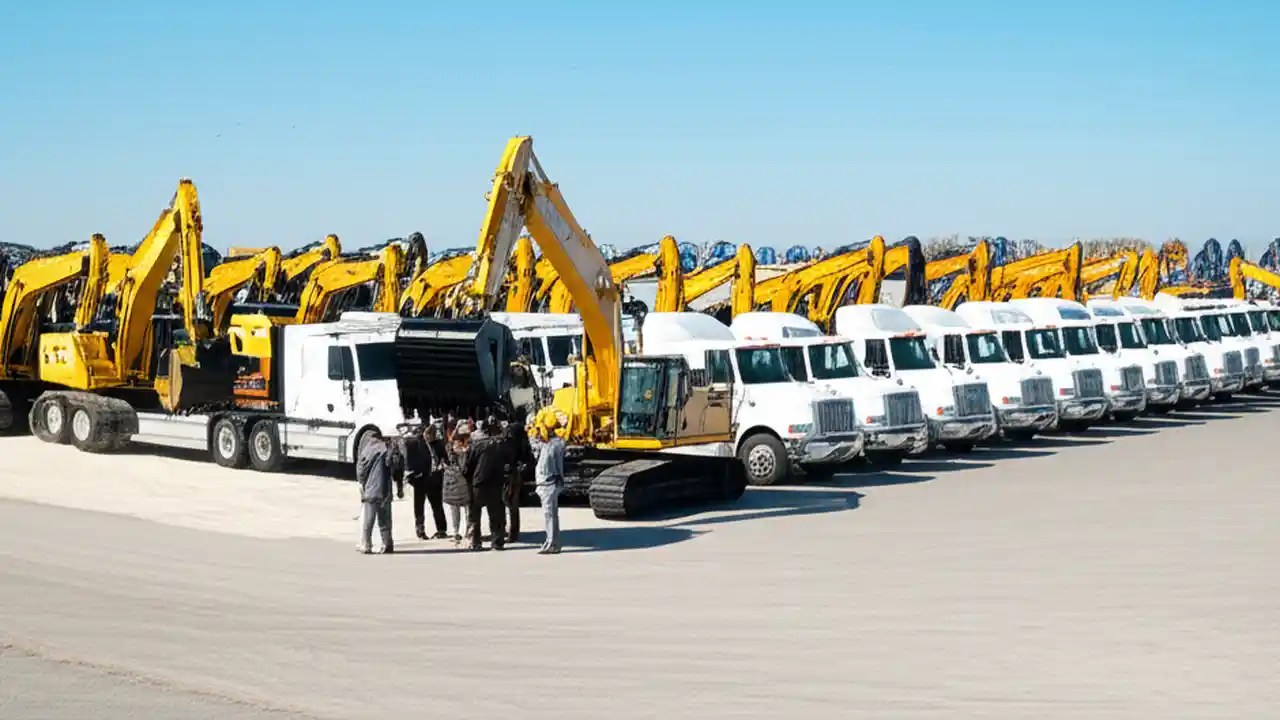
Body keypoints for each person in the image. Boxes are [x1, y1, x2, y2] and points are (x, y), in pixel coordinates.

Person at [462, 417, 510, 551]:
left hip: (478, 483)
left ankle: (475, 541)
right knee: (496, 513)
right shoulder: (499, 445)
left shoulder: (475, 446)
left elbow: (467, 468)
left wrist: (468, 478)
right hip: (495, 482)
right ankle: (497, 541)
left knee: (474, 513)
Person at [356, 429, 404, 554]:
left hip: (371, 489)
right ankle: (387, 544)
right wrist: (399, 487)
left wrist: (362, 482)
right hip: (385, 489)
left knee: (369, 518)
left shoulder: (369, 449)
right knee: (385, 519)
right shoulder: (390, 449)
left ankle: (367, 544)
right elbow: (397, 469)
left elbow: (361, 469)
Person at [404, 424, 449, 540]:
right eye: (428, 435)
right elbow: (410, 461)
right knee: (419, 505)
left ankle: (441, 529)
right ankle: (420, 530)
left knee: (437, 505)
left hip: (434, 478)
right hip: (420, 478)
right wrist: (412, 475)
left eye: (432, 435)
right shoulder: (416, 444)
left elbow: (445, 458)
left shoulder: (438, 444)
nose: (429, 438)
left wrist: (443, 465)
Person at [530, 415, 566, 554]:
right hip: (548, 483)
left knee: (549, 515)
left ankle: (552, 542)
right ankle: (552, 541)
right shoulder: (550, 444)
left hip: (548, 483)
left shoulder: (553, 445)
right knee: (552, 514)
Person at [502, 416, 533, 544]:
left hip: (510, 476)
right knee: (512, 506)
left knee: (506, 503)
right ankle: (512, 533)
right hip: (516, 476)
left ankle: (506, 532)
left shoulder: (510, 443)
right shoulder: (524, 444)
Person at [442, 424, 472, 547]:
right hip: (464, 482)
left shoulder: (449, 448)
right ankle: (468, 531)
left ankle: (456, 531)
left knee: (455, 509)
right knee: (467, 509)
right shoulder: (468, 449)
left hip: (452, 483)